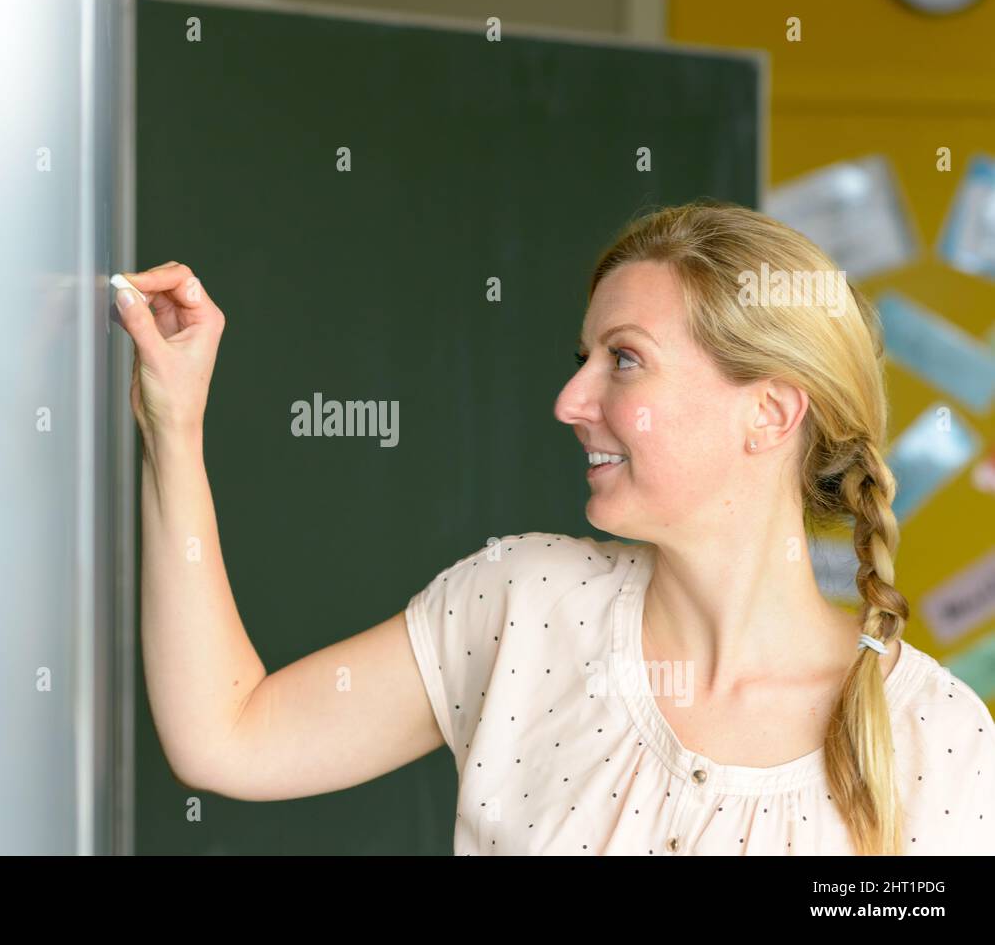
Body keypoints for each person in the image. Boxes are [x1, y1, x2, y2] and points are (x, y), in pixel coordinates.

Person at [114, 204, 995, 856]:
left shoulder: (939, 739)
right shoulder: (525, 604)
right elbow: (226, 734)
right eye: (583, 360)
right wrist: (174, 426)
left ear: (767, 413)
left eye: (623, 358)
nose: (570, 402)